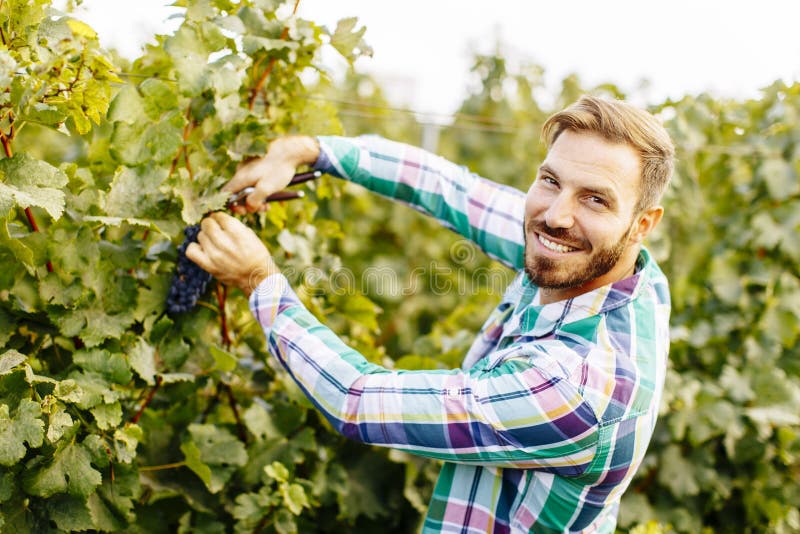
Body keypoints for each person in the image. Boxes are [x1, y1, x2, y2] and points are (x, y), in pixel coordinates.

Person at [186, 95, 674, 533]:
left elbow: (355, 399)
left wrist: (259, 280)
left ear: (642, 225)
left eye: (595, 198)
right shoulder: (605, 265)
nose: (557, 215)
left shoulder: (579, 388)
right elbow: (448, 189)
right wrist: (309, 150)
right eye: (550, 181)